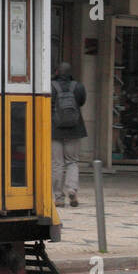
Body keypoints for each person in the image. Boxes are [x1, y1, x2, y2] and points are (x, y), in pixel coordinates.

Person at [52, 62, 87, 208]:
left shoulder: (50, 86)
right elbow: (82, 102)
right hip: (74, 129)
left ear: (56, 72)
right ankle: (72, 189)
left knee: (57, 164)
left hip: (55, 129)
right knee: (72, 162)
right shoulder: (78, 86)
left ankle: (59, 198)